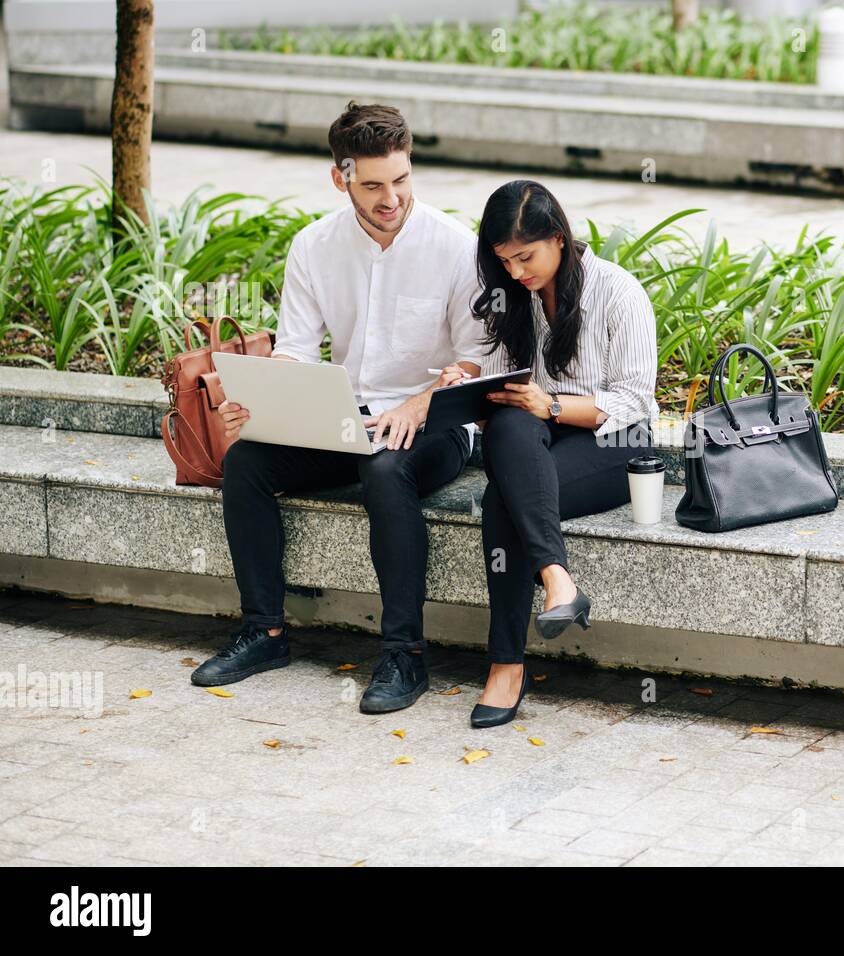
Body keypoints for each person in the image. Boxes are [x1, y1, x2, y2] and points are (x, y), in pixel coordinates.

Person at [190, 101, 483, 715]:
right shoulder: (315, 246)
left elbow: (476, 362)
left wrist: (418, 402)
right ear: (340, 177)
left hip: (438, 425)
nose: (391, 198)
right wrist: (265, 404)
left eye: (401, 179)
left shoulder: (458, 248)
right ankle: (265, 633)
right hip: (347, 419)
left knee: (384, 469)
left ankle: (405, 654)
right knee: (247, 461)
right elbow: (295, 350)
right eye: (372, 184)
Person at [469, 180, 659, 729]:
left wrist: (550, 405)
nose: (516, 272)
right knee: (508, 422)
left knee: (502, 499)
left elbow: (632, 402)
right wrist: (472, 386)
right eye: (504, 261)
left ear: (558, 237)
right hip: (534, 443)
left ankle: (506, 666)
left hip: (614, 444)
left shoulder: (618, 293)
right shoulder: (513, 299)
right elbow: (508, 386)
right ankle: (558, 581)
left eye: (526, 257)